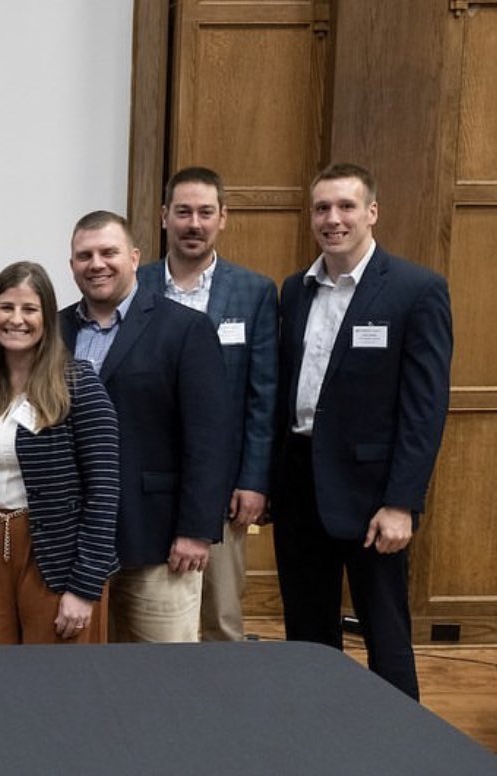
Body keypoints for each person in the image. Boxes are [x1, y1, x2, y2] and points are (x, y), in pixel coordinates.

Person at [273, 163, 452, 700]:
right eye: (322, 208)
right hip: (300, 484)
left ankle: (401, 741)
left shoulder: (416, 290)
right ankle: (317, 732)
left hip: (373, 495)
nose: (333, 219)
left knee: (386, 635)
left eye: (346, 206)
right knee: (307, 634)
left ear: (372, 212)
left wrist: (402, 502)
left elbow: (424, 409)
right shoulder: (295, 290)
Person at [60, 211, 231, 643]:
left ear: (134, 258)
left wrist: (196, 530)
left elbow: (209, 439)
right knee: (80, 671)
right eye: (84, 255)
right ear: (72, 264)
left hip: (157, 540)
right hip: (72, 544)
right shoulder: (54, 332)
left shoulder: (185, 329)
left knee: (161, 672)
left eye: (108, 252)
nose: (96, 264)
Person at [136, 166, 278, 641]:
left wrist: (253, 480)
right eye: (183, 212)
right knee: (151, 615)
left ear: (223, 218)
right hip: (148, 482)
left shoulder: (255, 292)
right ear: (164, 217)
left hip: (222, 485)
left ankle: (224, 692)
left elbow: (263, 395)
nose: (193, 223)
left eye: (204, 212)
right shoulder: (136, 284)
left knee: (220, 617)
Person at [0, 261, 119, 644]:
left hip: (58, 557)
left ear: (47, 318)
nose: (16, 319)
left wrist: (84, 586)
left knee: (54, 675)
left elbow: (104, 493)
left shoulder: (79, 385)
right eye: (6, 307)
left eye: (29, 309)